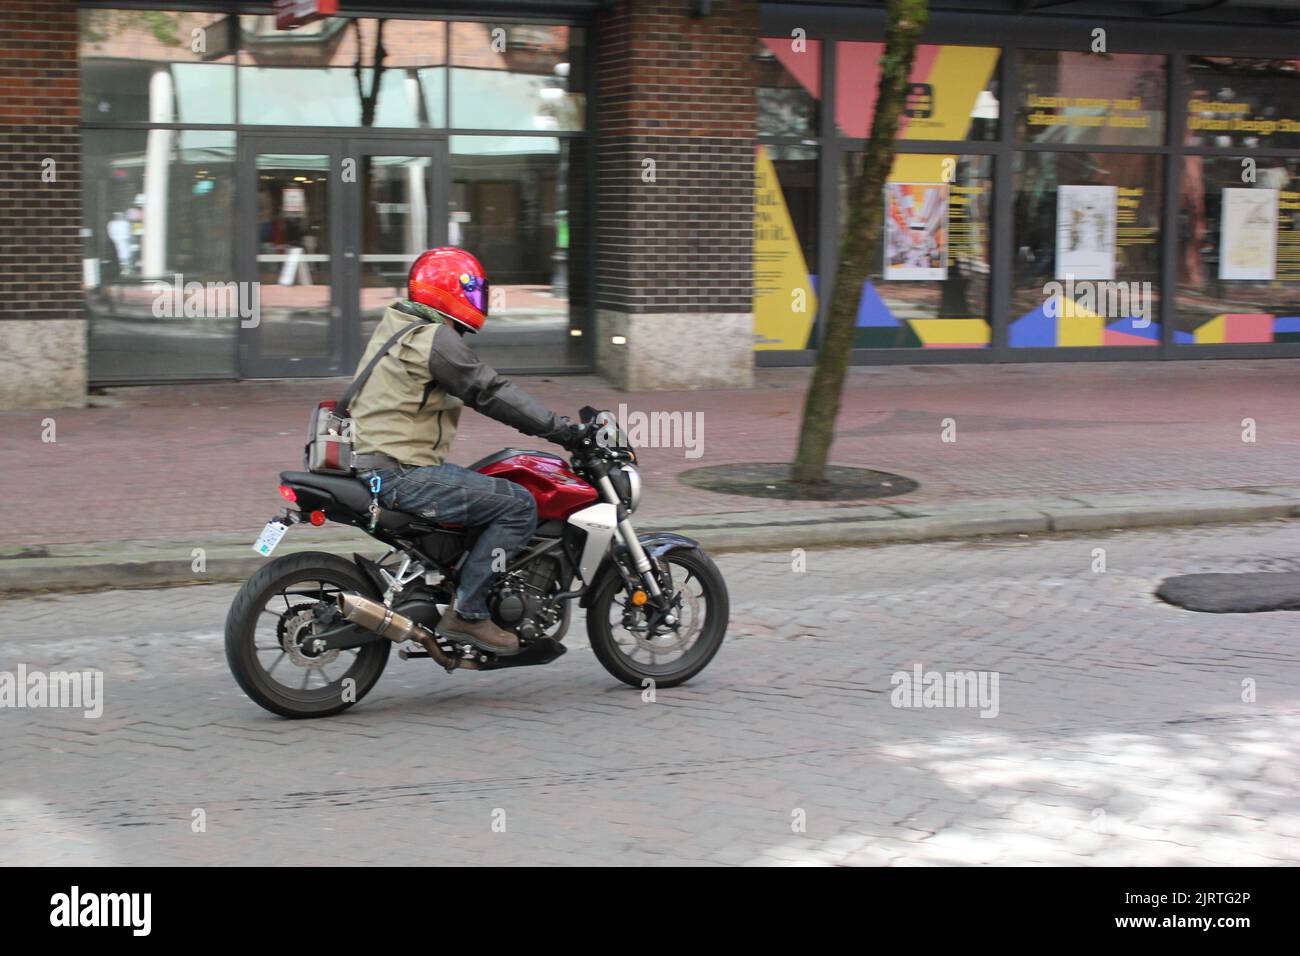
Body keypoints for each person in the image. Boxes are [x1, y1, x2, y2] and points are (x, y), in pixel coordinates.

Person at [349, 247, 584, 657]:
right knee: (518, 505)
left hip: (376, 465)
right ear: (449, 291)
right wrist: (564, 431)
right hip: (401, 474)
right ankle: (470, 613)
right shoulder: (434, 339)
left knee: (486, 485)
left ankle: (462, 585)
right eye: (474, 291)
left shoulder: (398, 323)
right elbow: (491, 392)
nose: (479, 301)